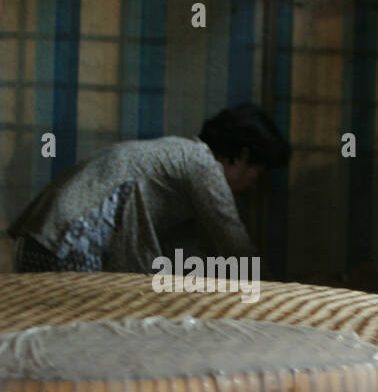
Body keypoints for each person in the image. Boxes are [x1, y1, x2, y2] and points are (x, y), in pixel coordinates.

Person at [7, 103, 289, 273]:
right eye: (257, 172)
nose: (254, 184)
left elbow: (184, 254)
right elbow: (234, 244)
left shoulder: (181, 157)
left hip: (44, 238)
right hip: (68, 240)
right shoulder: (201, 164)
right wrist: (280, 294)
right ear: (241, 156)